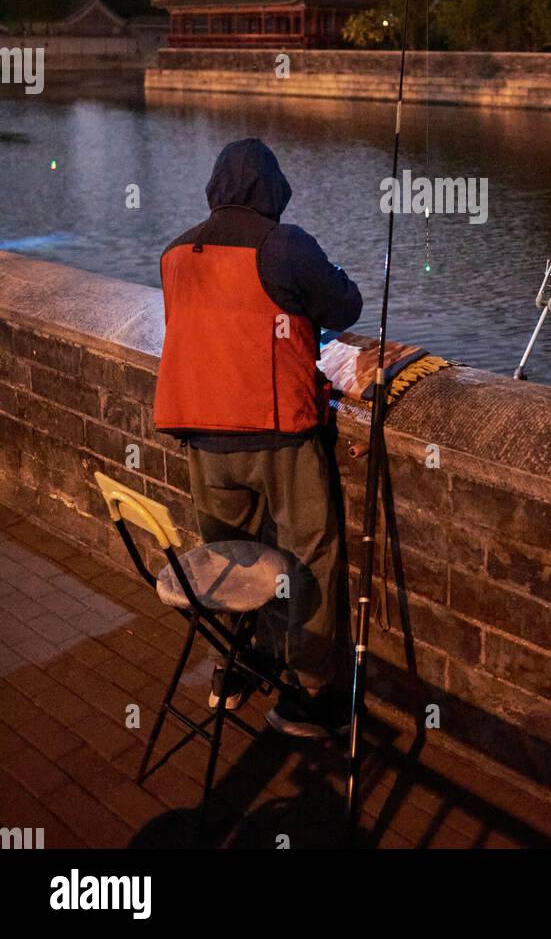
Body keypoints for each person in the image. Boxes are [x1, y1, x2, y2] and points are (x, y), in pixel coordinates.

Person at [153, 137, 363, 737]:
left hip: (201, 432)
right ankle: (313, 693)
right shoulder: (285, 244)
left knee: (231, 558)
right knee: (309, 556)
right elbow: (343, 305)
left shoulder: (174, 252)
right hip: (277, 434)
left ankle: (239, 665)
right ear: (272, 192)